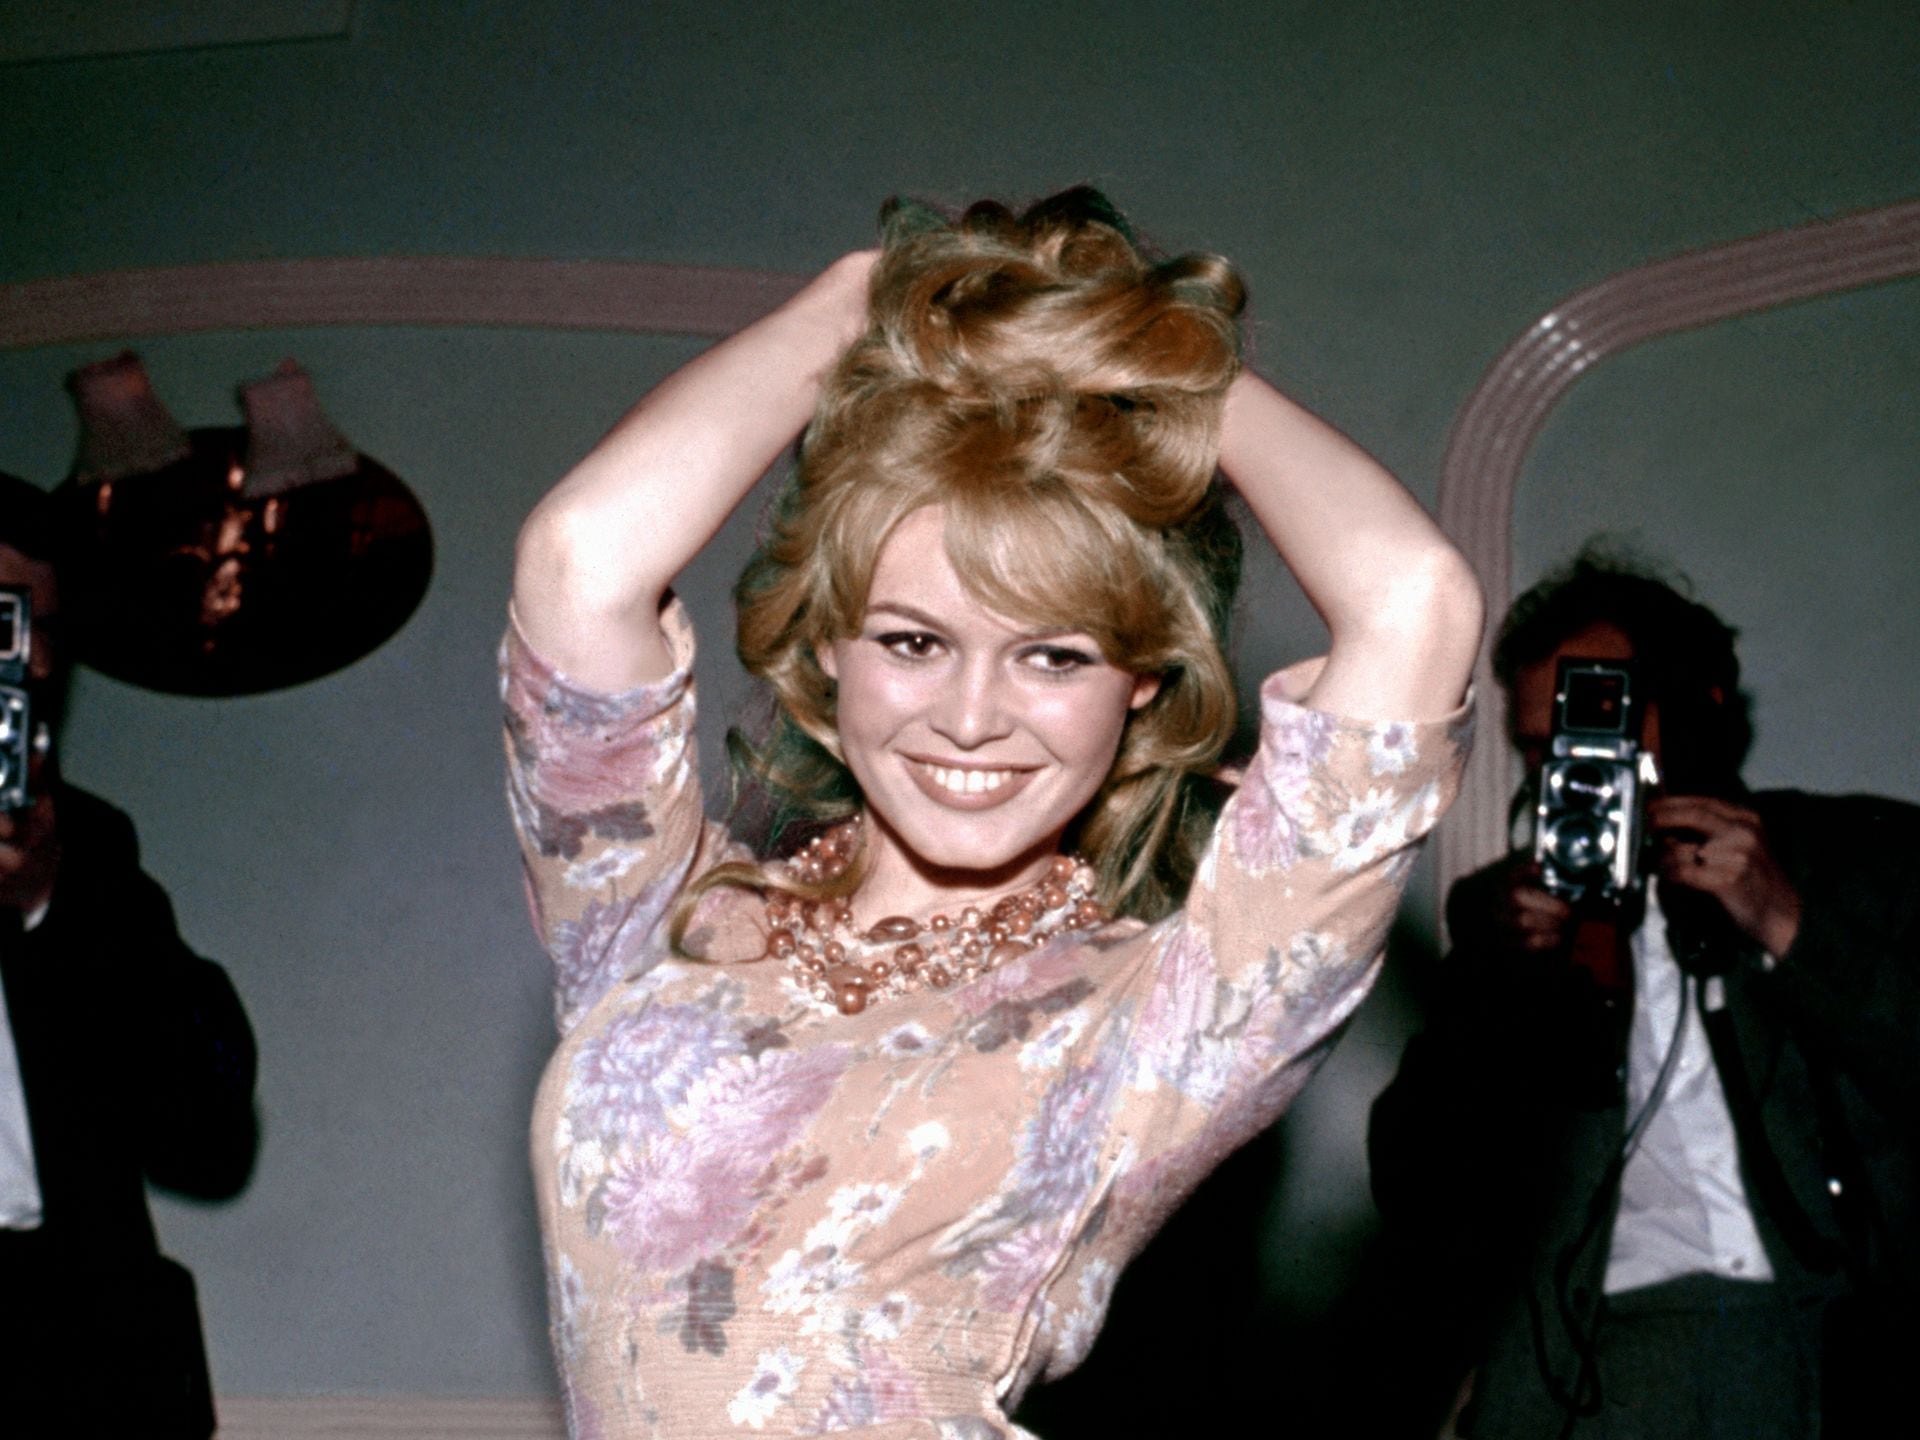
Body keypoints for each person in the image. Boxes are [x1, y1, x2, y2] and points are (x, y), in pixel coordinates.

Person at [506, 189, 1481, 1438]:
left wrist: (1153, 350)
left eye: (1053, 657)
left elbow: (1415, 600)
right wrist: (860, 300)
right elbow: (580, 558)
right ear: (830, 648)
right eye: (913, 641)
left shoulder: (1164, 1024)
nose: (972, 718)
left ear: (1140, 683)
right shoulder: (658, 925)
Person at [1369, 546, 1919, 1439]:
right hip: (1598, 1354)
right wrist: (1501, 1000)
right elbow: (1414, 1187)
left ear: (1703, 710)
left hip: (1831, 1341)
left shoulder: (1861, 857)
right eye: (1546, 746)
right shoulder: (1502, 912)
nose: (1582, 766)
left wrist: (1787, 924)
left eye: (1605, 727)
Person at [0, 472, 258, 1435]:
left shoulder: (87, 847)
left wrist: (45, 907)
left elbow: (209, 1126)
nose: (27, 660)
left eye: (42, 630)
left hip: (81, 1357)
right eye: (1, 624)